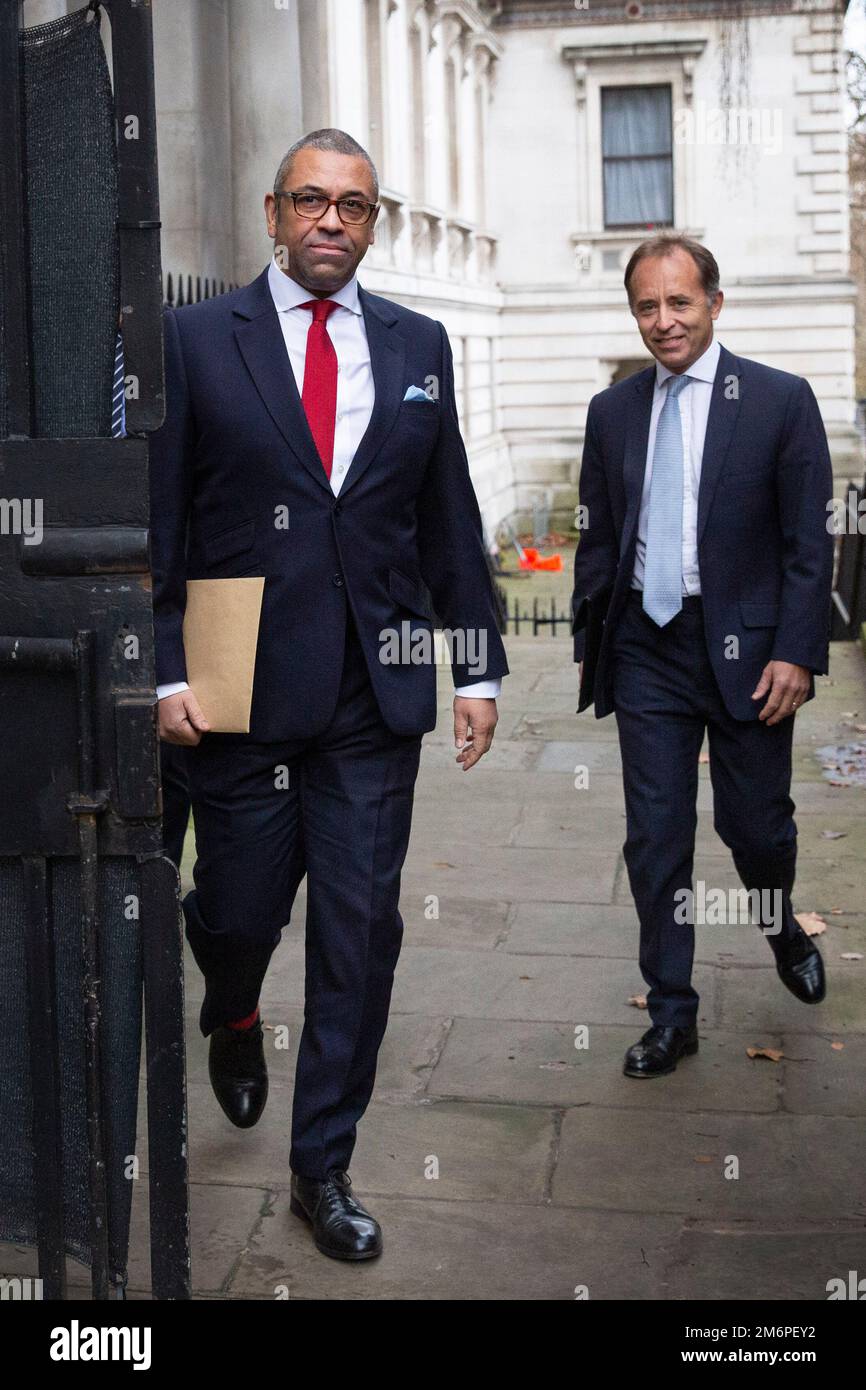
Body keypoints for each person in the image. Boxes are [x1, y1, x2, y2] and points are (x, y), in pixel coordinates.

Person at [148, 128, 508, 1259]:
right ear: (271, 213)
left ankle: (322, 1169)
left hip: (373, 689)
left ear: (372, 222)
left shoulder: (417, 343)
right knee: (239, 912)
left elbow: (443, 514)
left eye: (352, 206)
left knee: (360, 931)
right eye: (310, 201)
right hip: (239, 684)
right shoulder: (197, 339)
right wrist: (162, 669)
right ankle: (235, 1004)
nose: (329, 223)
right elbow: (160, 523)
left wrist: (478, 663)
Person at [571, 233, 833, 1079]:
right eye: (646, 305)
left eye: (679, 302)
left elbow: (807, 547)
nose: (663, 320)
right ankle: (672, 1012)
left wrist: (797, 653)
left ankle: (778, 919)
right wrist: (593, 637)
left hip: (748, 654)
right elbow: (599, 536)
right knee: (655, 835)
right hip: (648, 649)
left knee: (754, 828)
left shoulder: (779, 401)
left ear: (715, 304)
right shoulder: (612, 411)